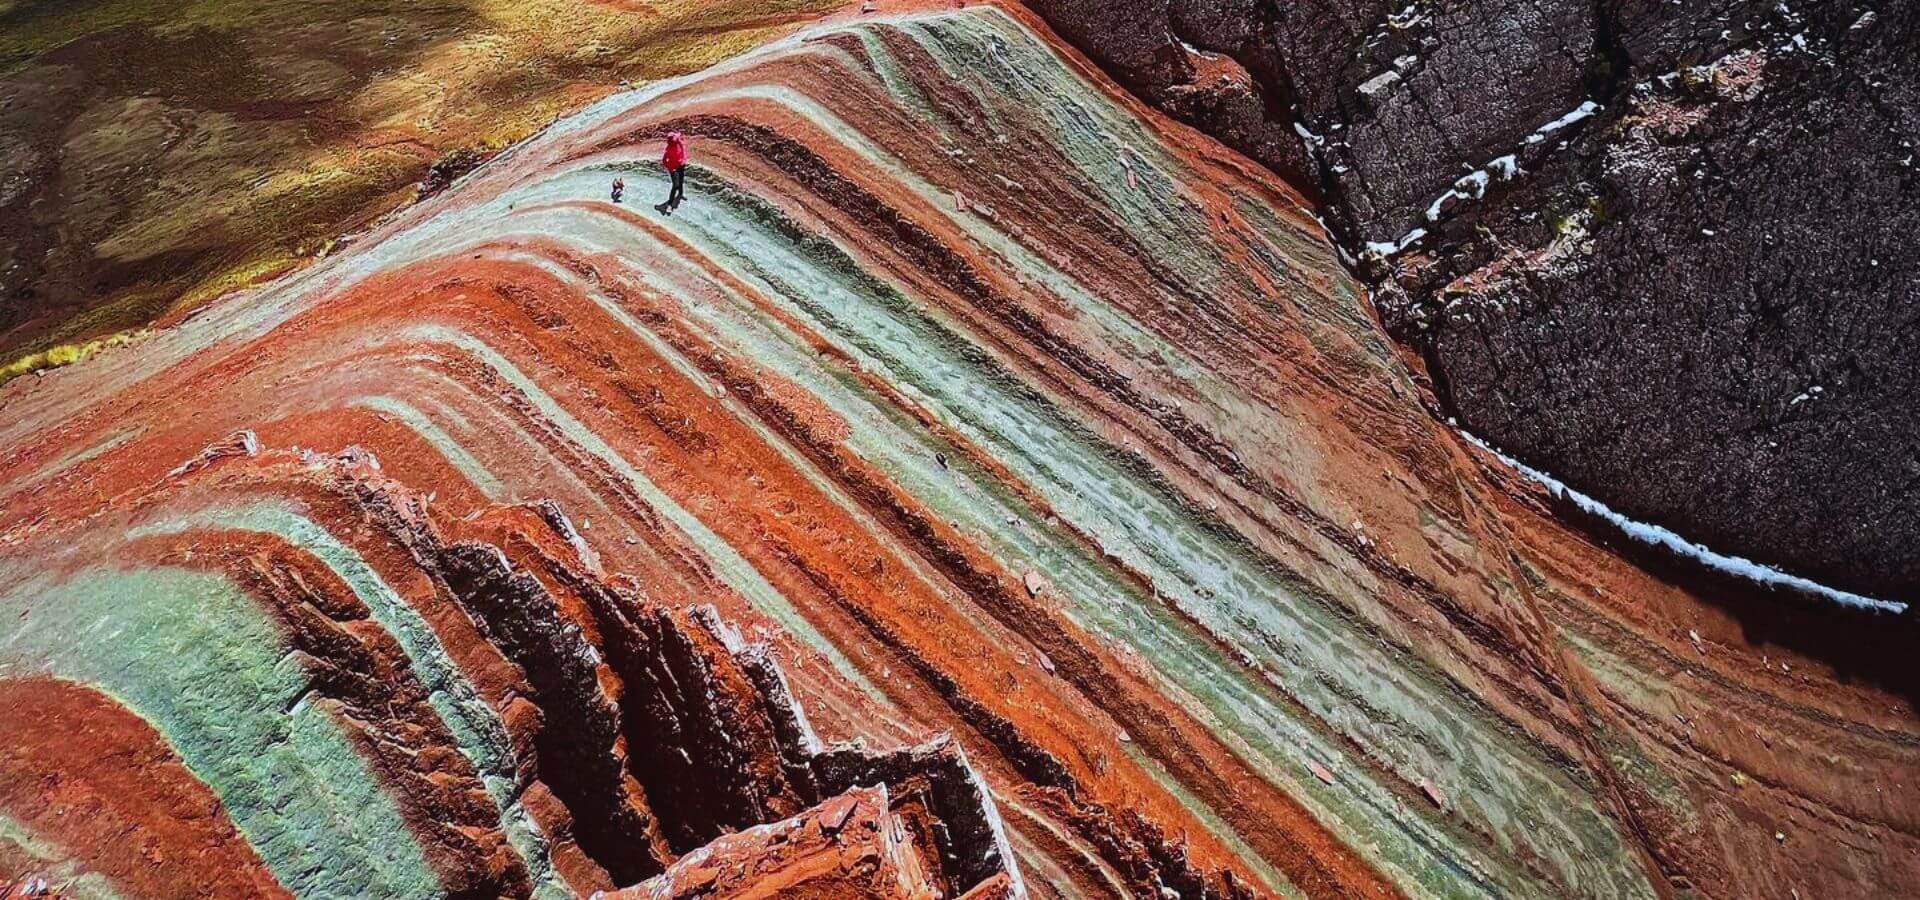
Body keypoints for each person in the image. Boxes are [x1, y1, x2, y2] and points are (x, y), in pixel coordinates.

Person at [656, 132, 688, 215]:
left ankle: (680, 194)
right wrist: (670, 169)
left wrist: (683, 159)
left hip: (681, 165)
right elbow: (664, 161)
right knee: (675, 186)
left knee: (681, 180)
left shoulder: (677, 141)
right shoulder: (668, 149)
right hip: (673, 169)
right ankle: (669, 205)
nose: (675, 141)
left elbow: (683, 148)